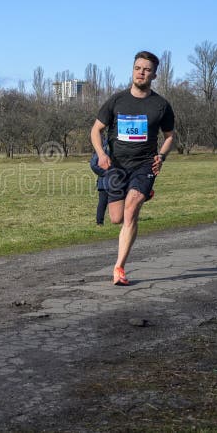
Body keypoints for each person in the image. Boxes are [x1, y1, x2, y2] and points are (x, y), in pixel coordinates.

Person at [90, 50, 175, 286]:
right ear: (133, 69)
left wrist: (162, 155)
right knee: (116, 218)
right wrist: (100, 154)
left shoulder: (160, 105)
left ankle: (119, 268)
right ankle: (141, 195)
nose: (142, 73)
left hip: (144, 165)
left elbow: (169, 136)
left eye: (147, 69)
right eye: (138, 68)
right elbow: (95, 130)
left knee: (130, 211)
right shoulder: (117, 100)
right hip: (116, 165)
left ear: (154, 75)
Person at [89, 141, 110, 225]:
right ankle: (99, 222)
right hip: (108, 181)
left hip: (108, 181)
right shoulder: (102, 148)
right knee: (103, 202)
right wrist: (106, 173)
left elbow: (94, 164)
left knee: (103, 202)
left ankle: (100, 222)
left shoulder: (101, 147)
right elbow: (93, 164)